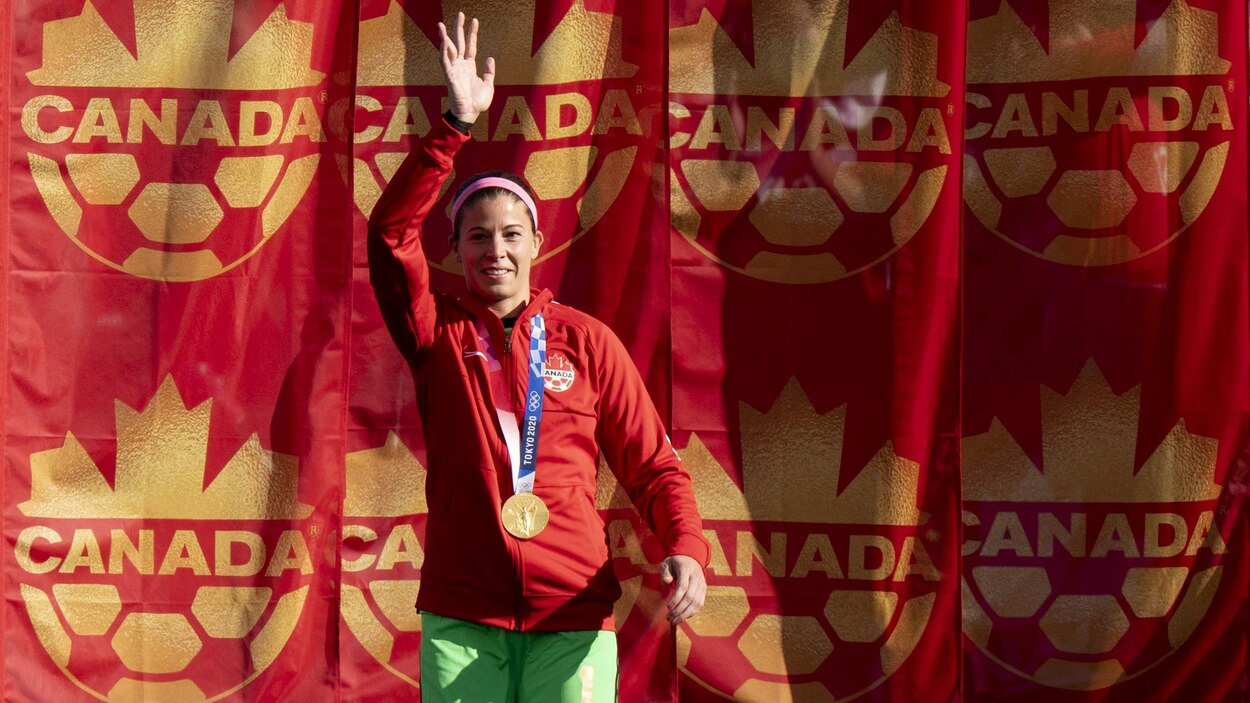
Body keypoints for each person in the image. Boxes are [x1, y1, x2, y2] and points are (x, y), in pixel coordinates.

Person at [367, 13, 709, 702]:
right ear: (458, 249)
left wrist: (688, 549)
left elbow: (653, 465)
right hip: (463, 616)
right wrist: (453, 127)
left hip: (573, 615)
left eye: (510, 234)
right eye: (477, 236)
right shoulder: (437, 335)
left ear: (535, 243)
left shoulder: (586, 341)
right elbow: (390, 234)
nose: (495, 249)